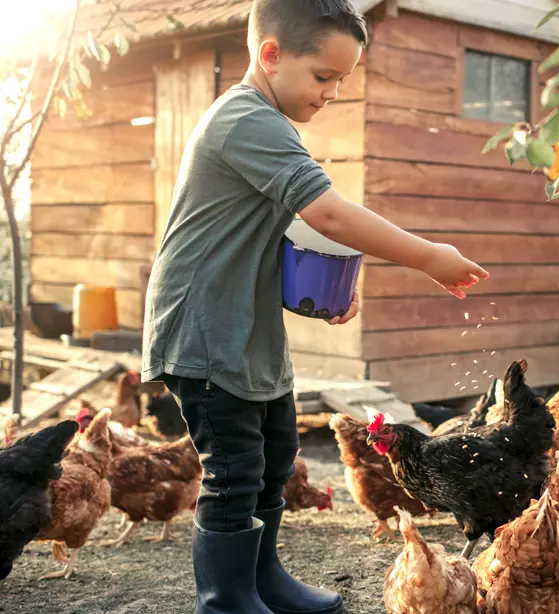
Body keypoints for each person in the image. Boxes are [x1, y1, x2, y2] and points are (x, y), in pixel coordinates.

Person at [141, 1, 488, 612]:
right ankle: (226, 601)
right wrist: (427, 255)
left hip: (246, 329)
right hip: (204, 330)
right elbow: (327, 213)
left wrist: (317, 289)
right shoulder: (245, 120)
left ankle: (264, 579)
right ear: (269, 54)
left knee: (276, 458)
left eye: (342, 80)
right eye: (324, 76)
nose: (332, 92)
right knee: (235, 472)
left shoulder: (271, 124)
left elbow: (261, 233)